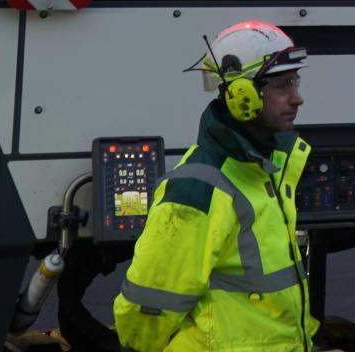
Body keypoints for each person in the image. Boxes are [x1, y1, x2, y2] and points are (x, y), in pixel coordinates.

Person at [115, 20, 318, 352]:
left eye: (295, 82)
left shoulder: (262, 170)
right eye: (282, 85)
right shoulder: (199, 188)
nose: (298, 98)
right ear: (242, 95)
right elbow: (146, 315)